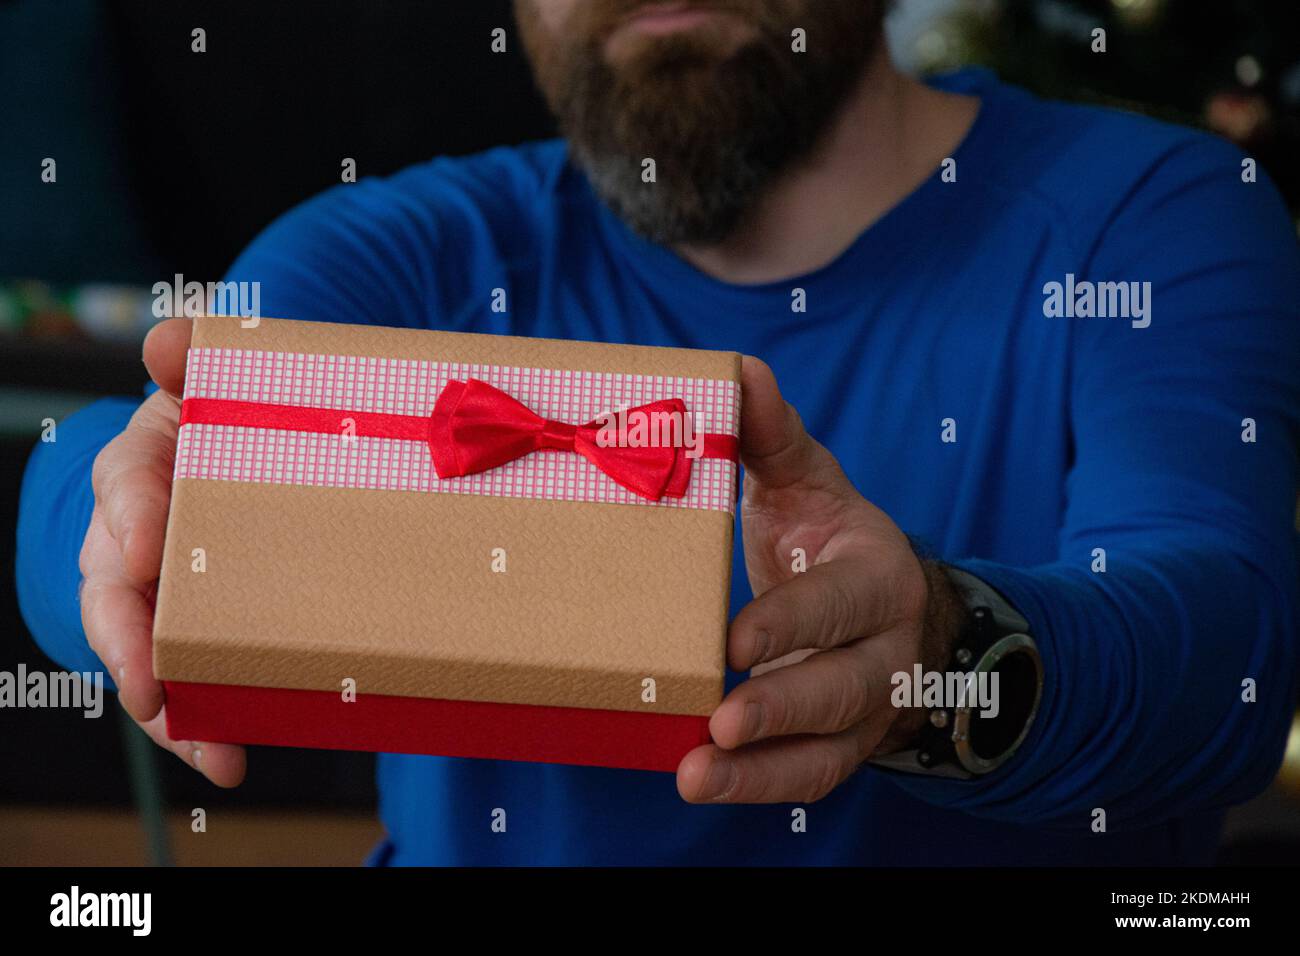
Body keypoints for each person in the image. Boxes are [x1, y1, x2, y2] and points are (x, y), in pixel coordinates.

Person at [16, 0, 1300, 865]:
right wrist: (117, 529)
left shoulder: (1151, 213)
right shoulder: (402, 249)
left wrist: (941, 655)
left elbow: (1227, 653)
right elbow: (115, 460)